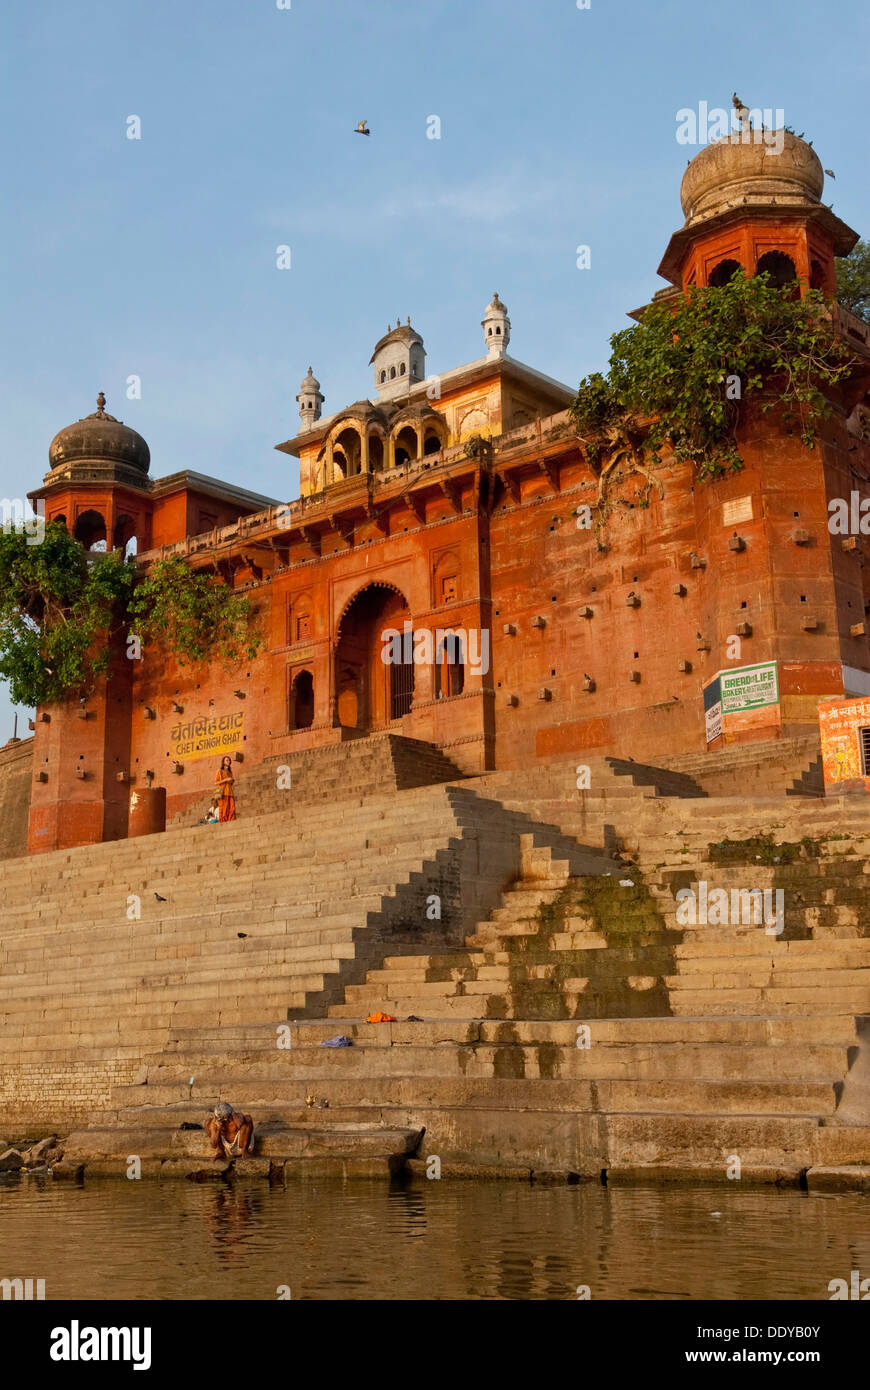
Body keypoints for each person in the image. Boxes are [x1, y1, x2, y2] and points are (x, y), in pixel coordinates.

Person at [215, 755, 236, 822]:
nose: (228, 761)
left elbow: (231, 782)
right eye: (227, 760)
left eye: (229, 760)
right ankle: (223, 821)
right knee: (224, 808)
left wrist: (231, 781)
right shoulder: (220, 771)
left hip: (230, 792)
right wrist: (226, 779)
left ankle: (231, 820)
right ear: (223, 762)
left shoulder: (230, 772)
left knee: (232, 807)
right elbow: (216, 782)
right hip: (223, 792)